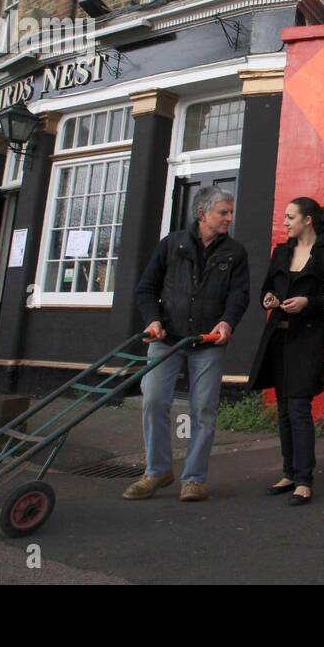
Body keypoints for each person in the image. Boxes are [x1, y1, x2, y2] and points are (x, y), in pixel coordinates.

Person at [124, 186, 248, 502]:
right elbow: (146, 288)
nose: (229, 218)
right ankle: (157, 471)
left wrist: (227, 321)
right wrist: (153, 319)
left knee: (203, 410)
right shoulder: (171, 244)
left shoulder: (235, 252)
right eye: (224, 212)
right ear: (202, 213)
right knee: (153, 400)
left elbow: (239, 294)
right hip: (167, 340)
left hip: (207, 342)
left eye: (231, 212)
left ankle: (193, 478)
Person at [247, 197, 324, 506]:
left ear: (308, 220)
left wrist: (307, 303)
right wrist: (269, 299)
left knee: (299, 407)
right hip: (279, 338)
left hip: (309, 340)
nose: (285, 222)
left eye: (290, 217)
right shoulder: (281, 252)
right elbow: (265, 289)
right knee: (284, 409)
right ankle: (288, 473)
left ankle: (304, 479)